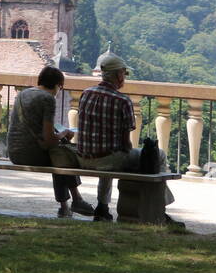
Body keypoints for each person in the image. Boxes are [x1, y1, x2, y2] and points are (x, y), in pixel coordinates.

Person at [75, 52, 179, 225]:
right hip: (108, 160)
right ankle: (160, 209)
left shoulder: (86, 93)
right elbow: (125, 144)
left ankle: (102, 208)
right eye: (124, 73)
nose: (125, 77)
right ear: (117, 74)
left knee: (108, 156)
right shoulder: (122, 101)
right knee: (157, 155)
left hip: (83, 158)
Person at [6, 66, 95, 218]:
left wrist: (57, 135)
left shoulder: (24, 93)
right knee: (61, 155)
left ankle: (66, 206)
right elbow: (49, 141)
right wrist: (65, 134)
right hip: (30, 155)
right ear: (58, 85)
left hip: (14, 152)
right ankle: (76, 200)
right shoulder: (48, 99)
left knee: (57, 153)